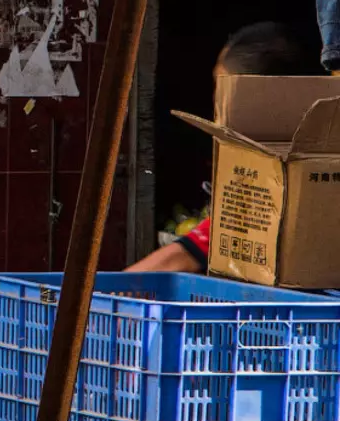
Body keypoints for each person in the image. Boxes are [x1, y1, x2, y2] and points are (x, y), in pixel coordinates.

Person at [128, 21, 324, 273]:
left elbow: (183, 255)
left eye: (224, 101)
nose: (217, 120)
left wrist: (97, 300)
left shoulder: (277, 181)